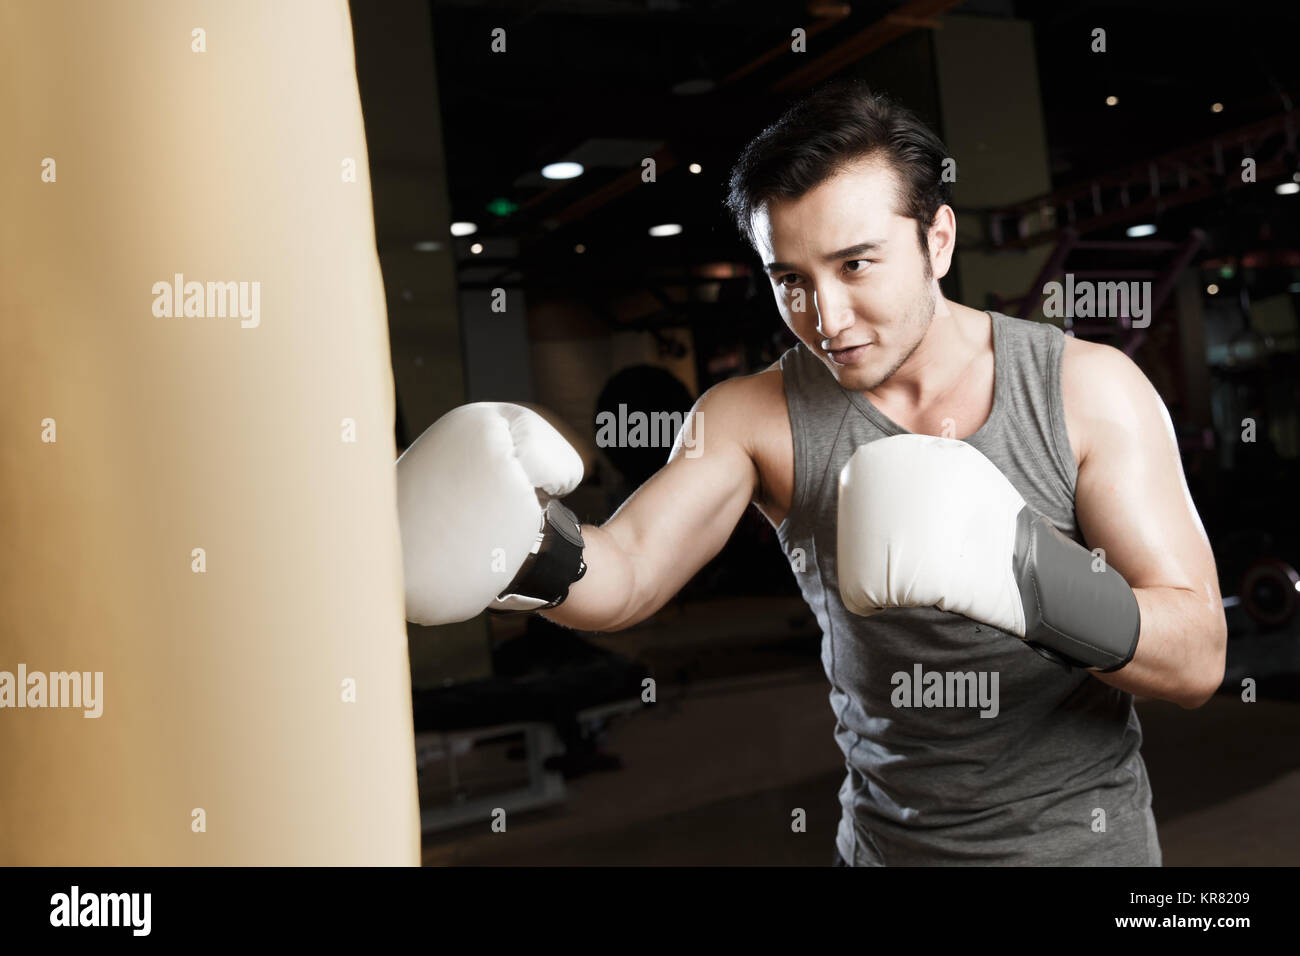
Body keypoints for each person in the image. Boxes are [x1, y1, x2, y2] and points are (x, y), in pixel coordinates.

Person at [397, 80, 1227, 866]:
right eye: (790, 280)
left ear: (936, 240)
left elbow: (1196, 660)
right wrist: (523, 541)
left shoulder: (1084, 389)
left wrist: (1032, 580)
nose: (824, 319)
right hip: (886, 850)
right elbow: (631, 573)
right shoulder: (752, 416)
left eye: (856, 264)